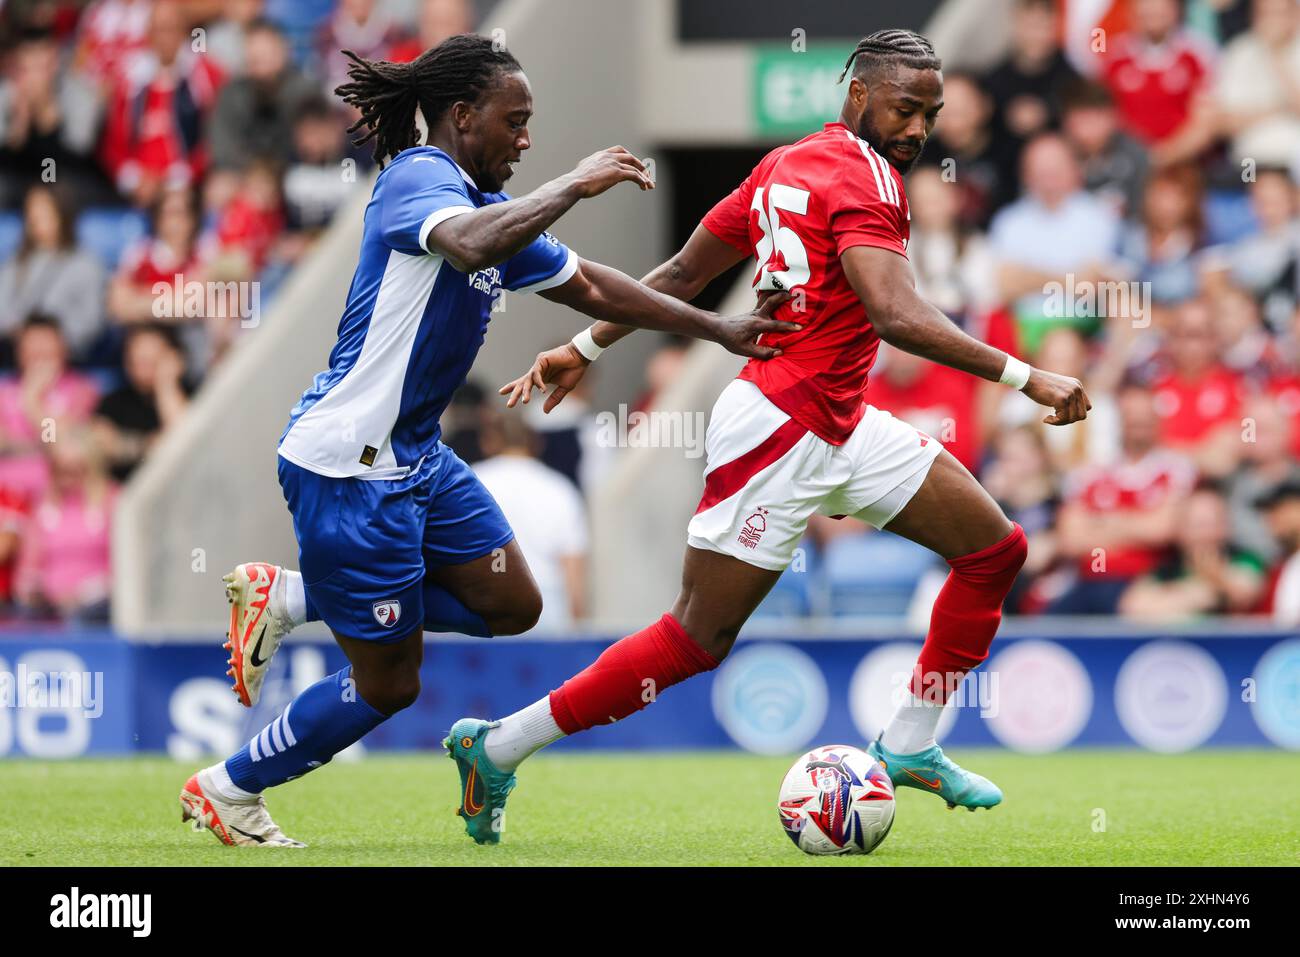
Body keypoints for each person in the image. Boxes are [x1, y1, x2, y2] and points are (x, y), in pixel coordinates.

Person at [470, 29, 1090, 845]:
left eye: (931, 115)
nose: (917, 130)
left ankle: (908, 742)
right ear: (858, 93)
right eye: (905, 108)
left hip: (838, 417)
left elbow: (685, 275)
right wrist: (1026, 375)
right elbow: (895, 314)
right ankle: (499, 744)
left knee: (992, 550)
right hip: (780, 425)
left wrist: (583, 346)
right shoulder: (866, 180)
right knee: (695, 637)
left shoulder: (784, 164)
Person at [177, 33, 796, 848]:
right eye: (517, 120)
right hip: (349, 472)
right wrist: (572, 183)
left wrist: (717, 325)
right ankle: (229, 786)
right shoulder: (417, 180)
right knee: (389, 684)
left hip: (418, 460)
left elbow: (594, 286)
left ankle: (290, 598)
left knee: (514, 602)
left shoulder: (487, 215)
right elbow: (470, 243)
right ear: (463, 117)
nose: (528, 138)